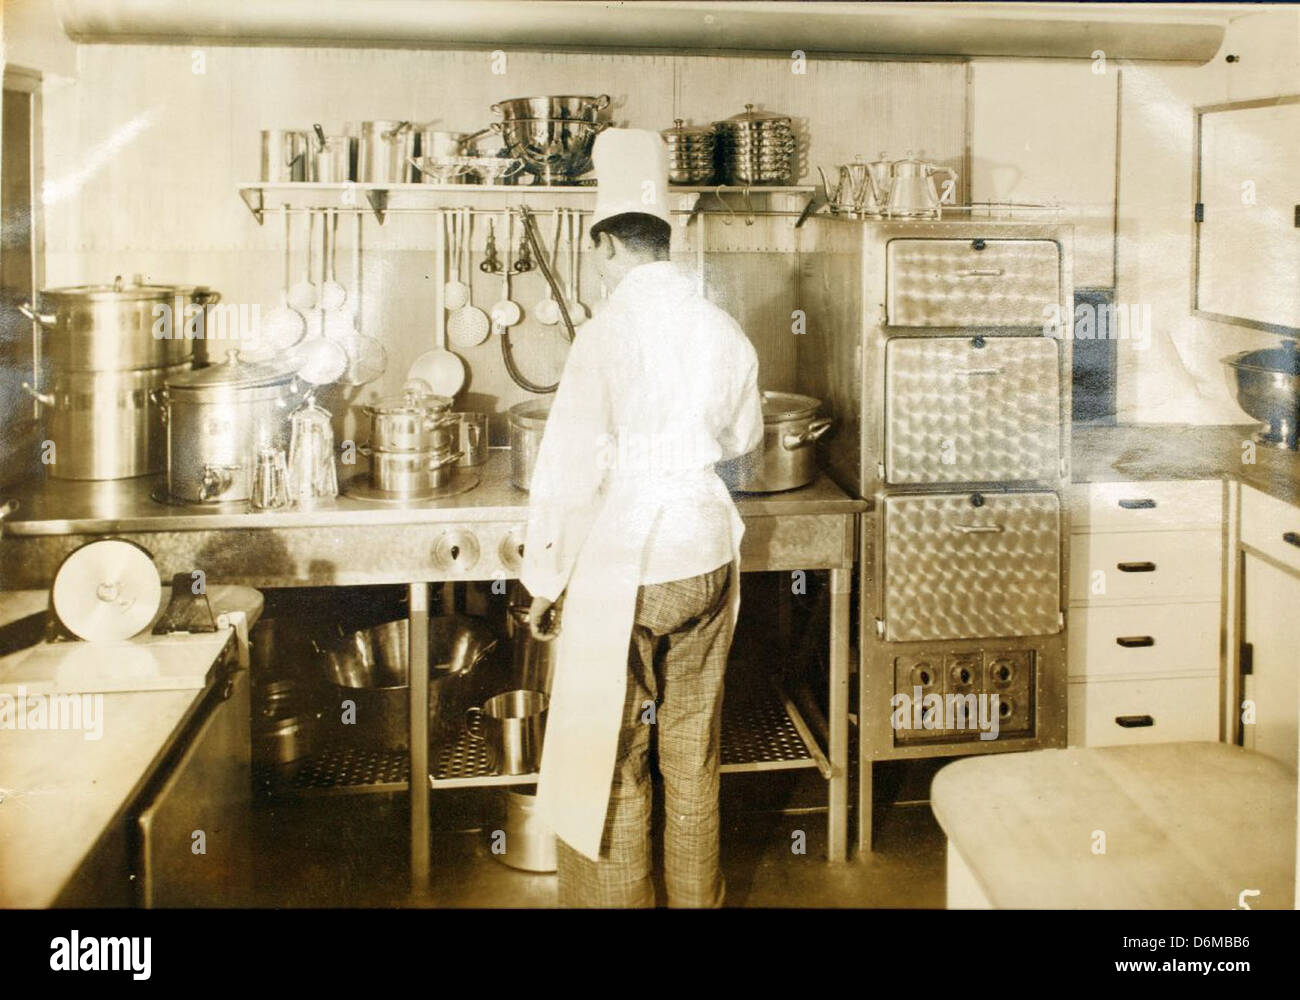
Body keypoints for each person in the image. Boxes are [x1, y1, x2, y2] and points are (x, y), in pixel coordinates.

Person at [518, 128, 764, 908]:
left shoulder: (604, 335)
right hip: (706, 555)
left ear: (607, 250)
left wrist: (544, 578)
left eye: (596, 259)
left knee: (613, 757)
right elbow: (742, 436)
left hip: (629, 564)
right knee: (691, 752)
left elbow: (567, 471)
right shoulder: (719, 328)